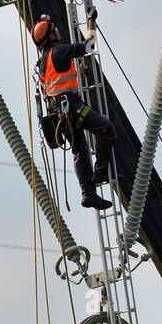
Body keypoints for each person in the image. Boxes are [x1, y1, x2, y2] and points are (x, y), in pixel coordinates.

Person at [31, 11, 116, 211]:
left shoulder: (43, 60)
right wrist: (91, 22)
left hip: (58, 113)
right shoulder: (59, 52)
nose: (59, 31)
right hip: (71, 107)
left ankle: (88, 193)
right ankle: (100, 173)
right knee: (107, 130)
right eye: (55, 30)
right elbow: (89, 45)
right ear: (51, 36)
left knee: (80, 150)